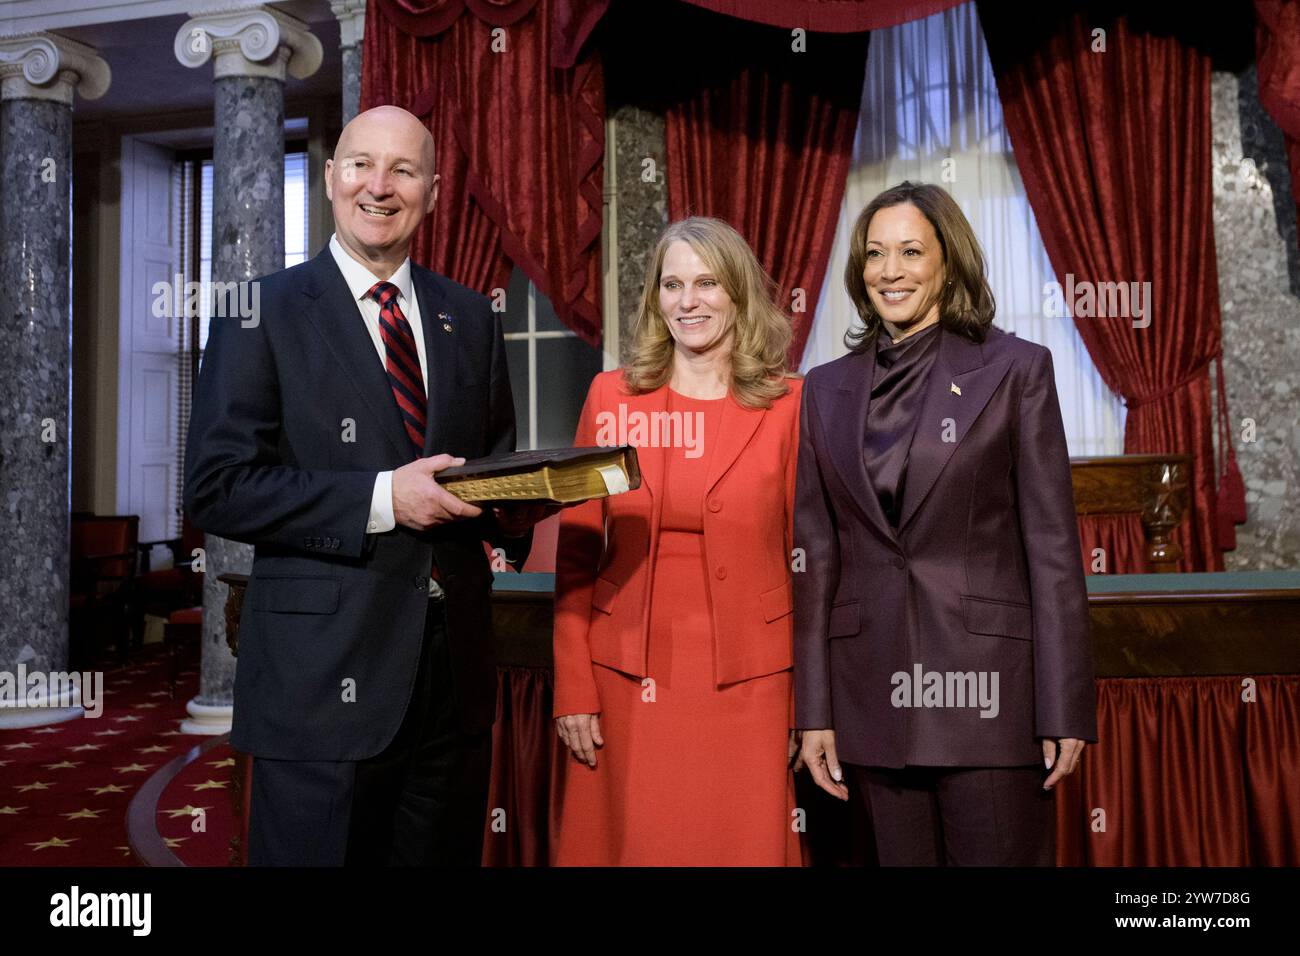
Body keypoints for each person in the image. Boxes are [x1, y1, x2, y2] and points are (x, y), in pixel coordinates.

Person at [184, 105, 550, 866]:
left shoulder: (470, 319)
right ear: (329, 179)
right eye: (360, 165)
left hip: (452, 684)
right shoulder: (259, 312)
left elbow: (484, 470)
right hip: (319, 683)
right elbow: (219, 488)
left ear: (435, 192)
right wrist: (384, 499)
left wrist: (523, 501)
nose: (379, 187)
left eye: (404, 170)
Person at [794, 181, 1097, 866]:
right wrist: (813, 709)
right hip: (869, 698)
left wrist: (1064, 708)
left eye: (909, 251)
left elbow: (1052, 552)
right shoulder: (823, 388)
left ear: (948, 263)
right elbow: (815, 557)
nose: (889, 270)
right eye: (874, 253)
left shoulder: (1018, 370)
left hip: (990, 698)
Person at [551, 217, 804, 866]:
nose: (687, 301)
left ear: (739, 293)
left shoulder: (790, 405)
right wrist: (573, 685)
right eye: (672, 284)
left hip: (750, 688)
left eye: (707, 283)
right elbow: (576, 551)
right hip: (623, 681)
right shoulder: (612, 398)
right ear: (654, 298)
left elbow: (815, 563)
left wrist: (811, 702)